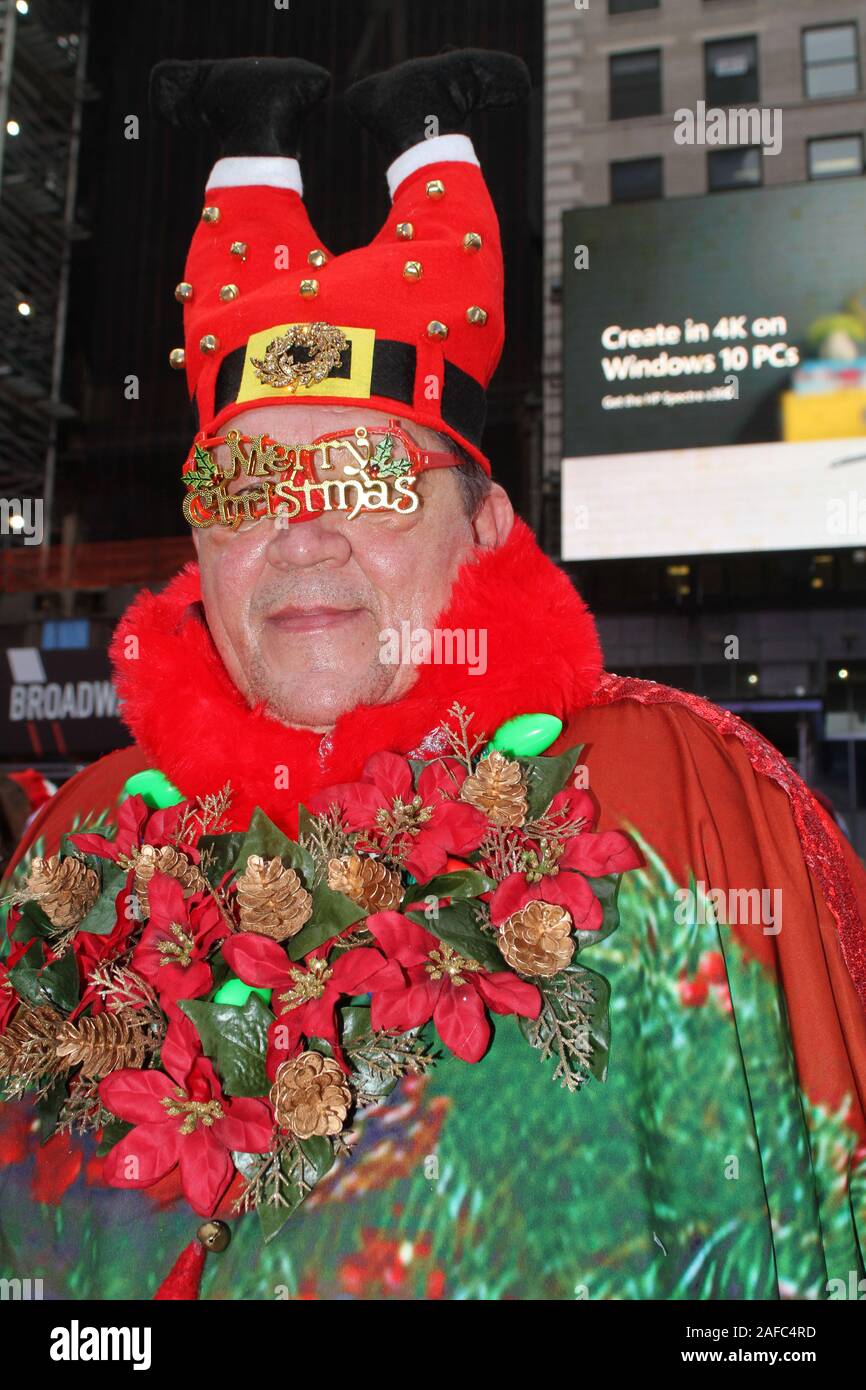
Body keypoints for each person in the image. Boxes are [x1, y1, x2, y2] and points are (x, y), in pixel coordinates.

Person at [1, 51, 865, 1302]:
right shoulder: (81, 842)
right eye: (243, 489)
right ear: (197, 548)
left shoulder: (670, 792)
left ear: (489, 525)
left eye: (365, 476)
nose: (302, 533)